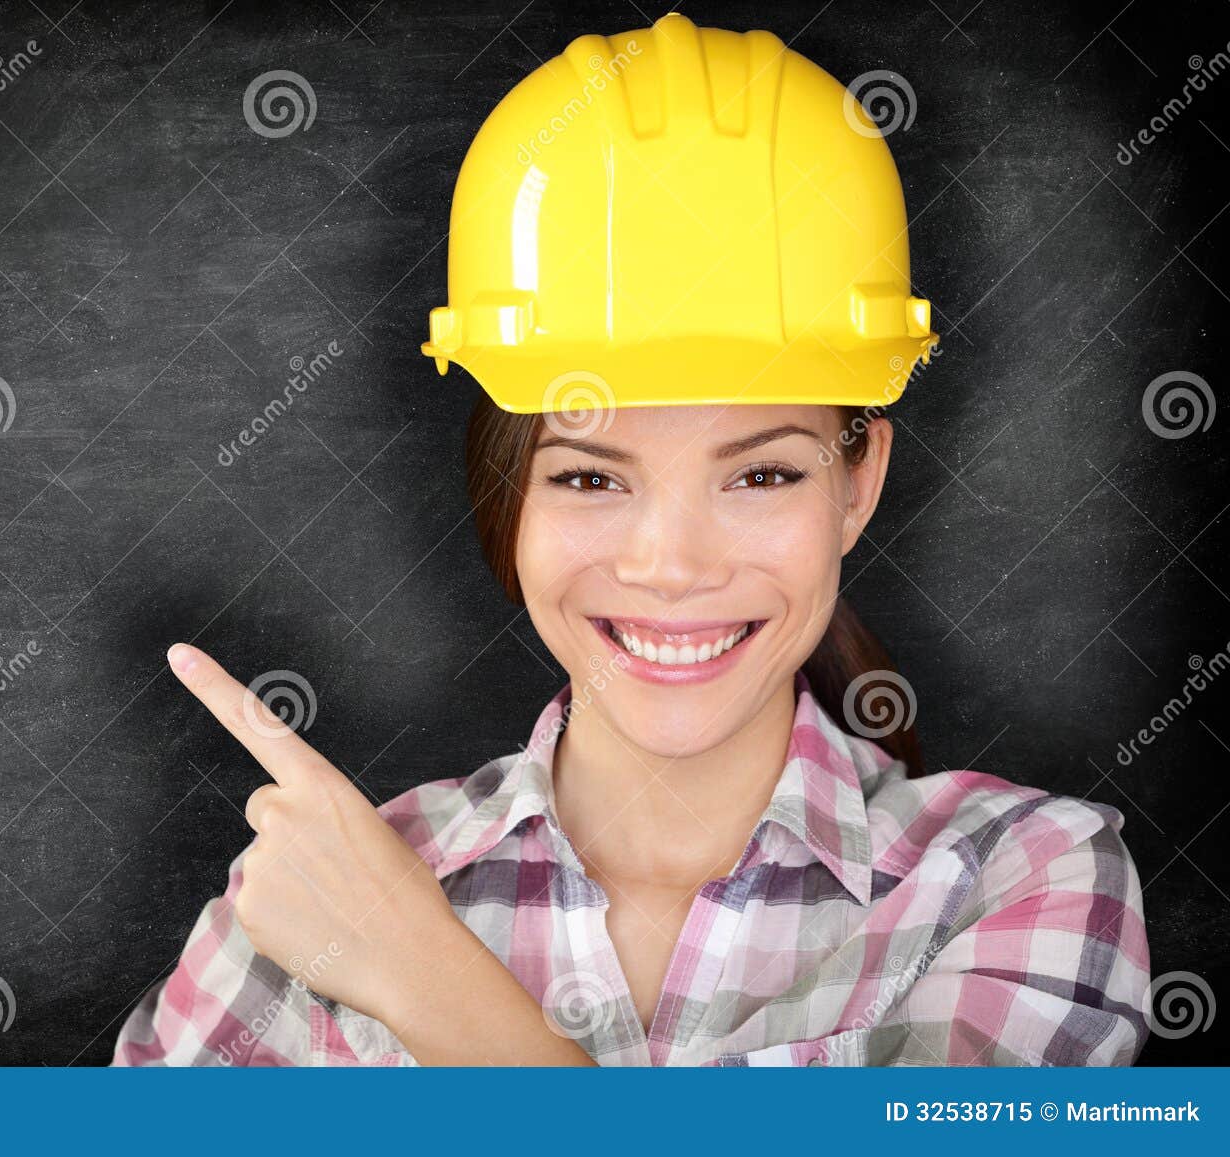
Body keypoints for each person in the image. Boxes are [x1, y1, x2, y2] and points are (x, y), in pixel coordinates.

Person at [111, 12, 1150, 1066]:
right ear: (510, 490)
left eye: (760, 472)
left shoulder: (1024, 876)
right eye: (590, 476)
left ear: (857, 479)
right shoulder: (316, 889)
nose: (672, 563)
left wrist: (415, 968)